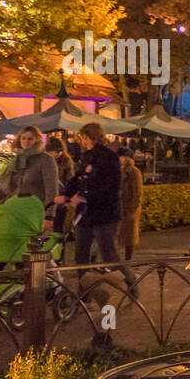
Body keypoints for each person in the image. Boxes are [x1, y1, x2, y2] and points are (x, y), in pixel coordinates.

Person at [0, 126, 59, 269]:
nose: (26, 142)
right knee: (9, 245)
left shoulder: (45, 160)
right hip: (15, 211)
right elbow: (7, 190)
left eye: (30, 138)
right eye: (23, 138)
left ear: (37, 140)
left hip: (33, 212)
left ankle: (45, 282)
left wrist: (49, 216)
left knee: (27, 251)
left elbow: (52, 190)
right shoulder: (18, 160)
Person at [61, 123, 134, 291]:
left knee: (109, 254)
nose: (84, 141)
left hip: (105, 214)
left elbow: (111, 187)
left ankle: (131, 282)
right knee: (81, 254)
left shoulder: (109, 157)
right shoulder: (86, 156)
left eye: (85, 137)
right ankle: (85, 291)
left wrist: (85, 197)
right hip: (86, 214)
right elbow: (78, 177)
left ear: (91, 137)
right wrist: (67, 193)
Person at [117, 147, 144, 261]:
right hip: (118, 206)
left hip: (128, 208)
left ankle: (128, 259)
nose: (119, 159)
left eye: (121, 156)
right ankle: (113, 260)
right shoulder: (117, 170)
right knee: (115, 236)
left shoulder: (134, 172)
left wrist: (132, 211)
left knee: (129, 237)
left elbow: (137, 193)